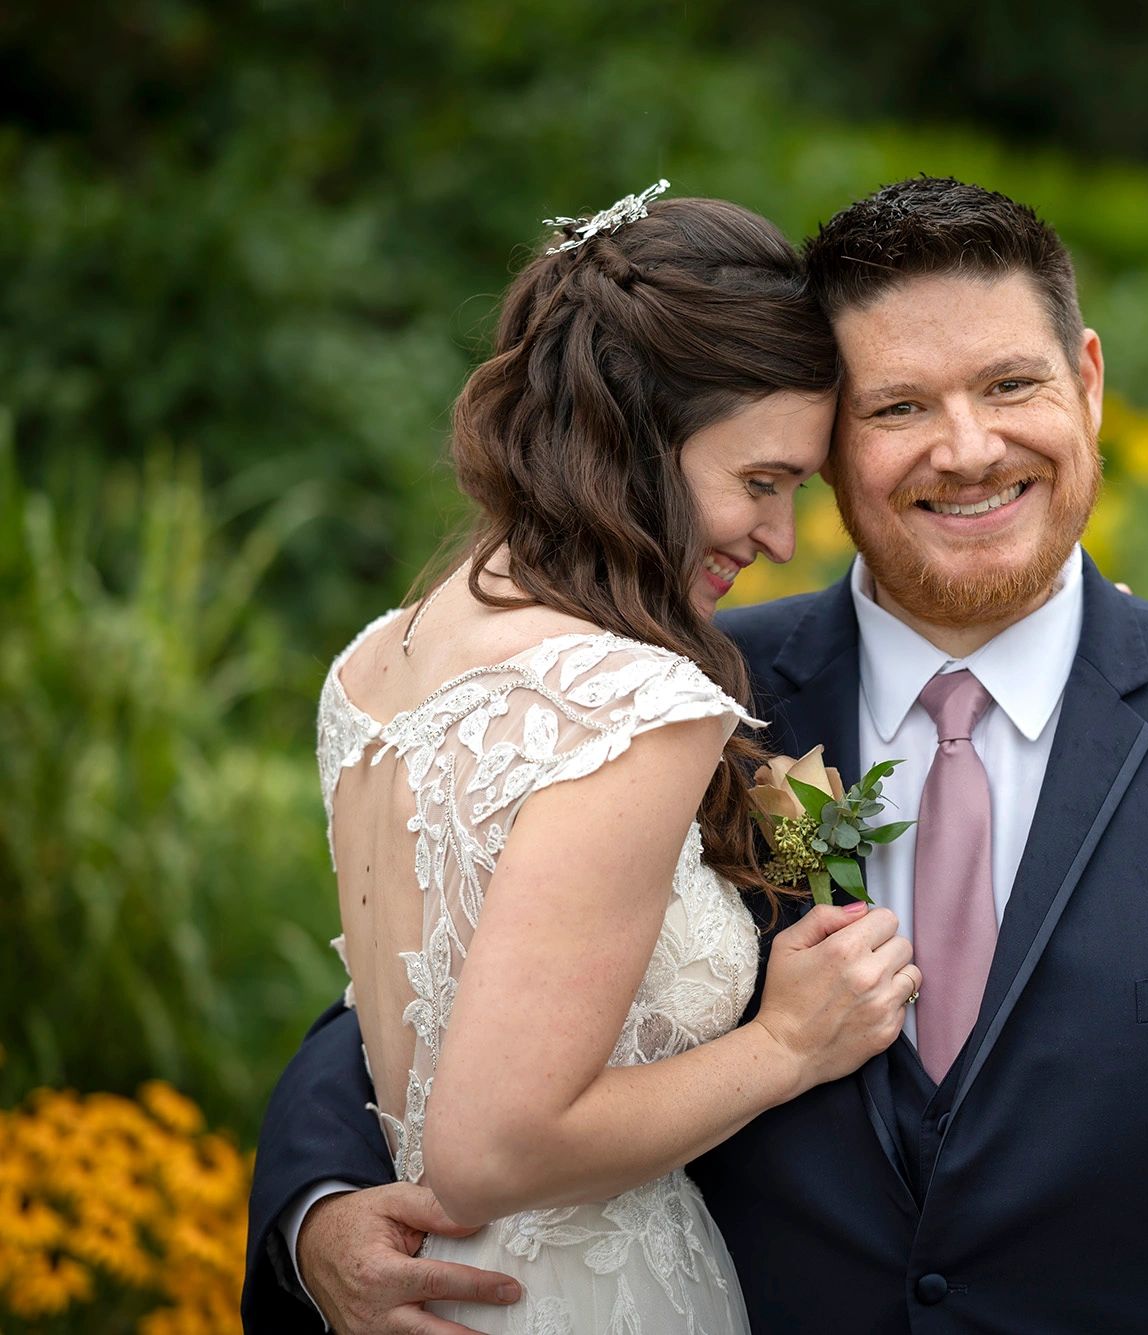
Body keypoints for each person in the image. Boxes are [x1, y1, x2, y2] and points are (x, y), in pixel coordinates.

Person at [248, 176, 1148, 1333]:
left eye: (1009, 386)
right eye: (898, 407)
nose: (966, 449)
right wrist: (317, 1215)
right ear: (828, 440)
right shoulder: (668, 700)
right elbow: (425, 979)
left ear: (1088, 382)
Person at [261, 188, 925, 1334]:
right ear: (635, 438)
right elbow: (490, 1150)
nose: (780, 538)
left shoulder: (378, 660)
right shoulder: (638, 705)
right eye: (761, 482)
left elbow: (436, 1016)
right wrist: (785, 1044)